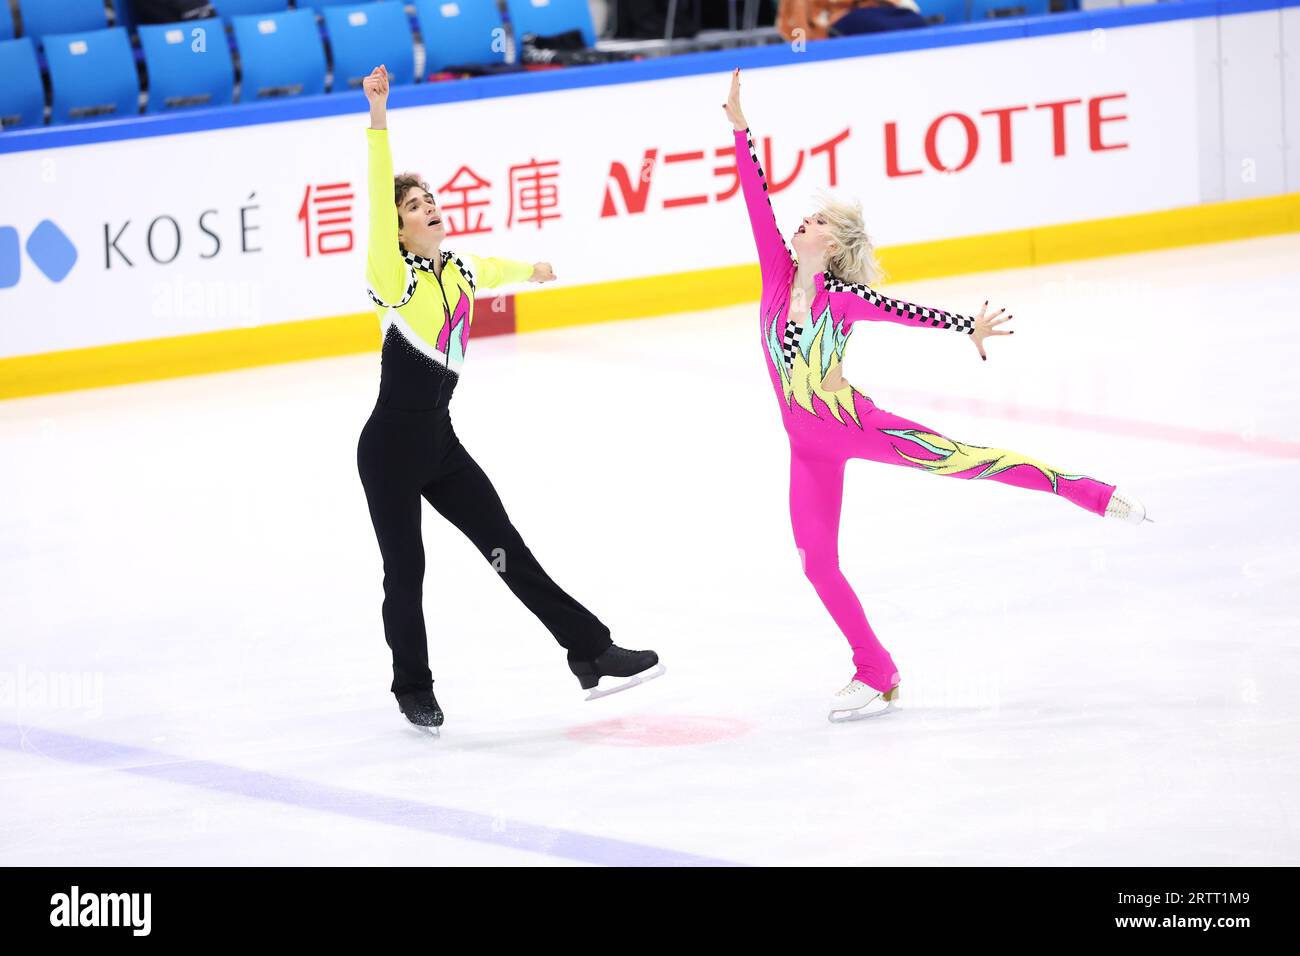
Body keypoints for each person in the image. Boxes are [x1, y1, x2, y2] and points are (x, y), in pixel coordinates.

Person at [722, 67, 1150, 722]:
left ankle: (1082, 490)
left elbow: (903, 311)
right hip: (805, 449)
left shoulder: (844, 298)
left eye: (812, 222)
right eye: (803, 218)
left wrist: (965, 326)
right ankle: (876, 668)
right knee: (816, 564)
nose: (799, 223)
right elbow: (756, 195)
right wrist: (739, 128)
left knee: (966, 459)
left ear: (832, 244)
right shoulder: (778, 273)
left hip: (857, 426)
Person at [357, 65, 662, 733]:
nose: (426, 206)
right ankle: (413, 686)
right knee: (405, 571)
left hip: (438, 445)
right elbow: (378, 204)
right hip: (388, 452)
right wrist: (379, 117)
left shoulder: (459, 268)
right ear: (399, 232)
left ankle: (589, 650)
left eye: (427, 198)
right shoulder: (392, 277)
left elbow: (491, 270)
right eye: (411, 207)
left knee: (506, 549)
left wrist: (534, 270)